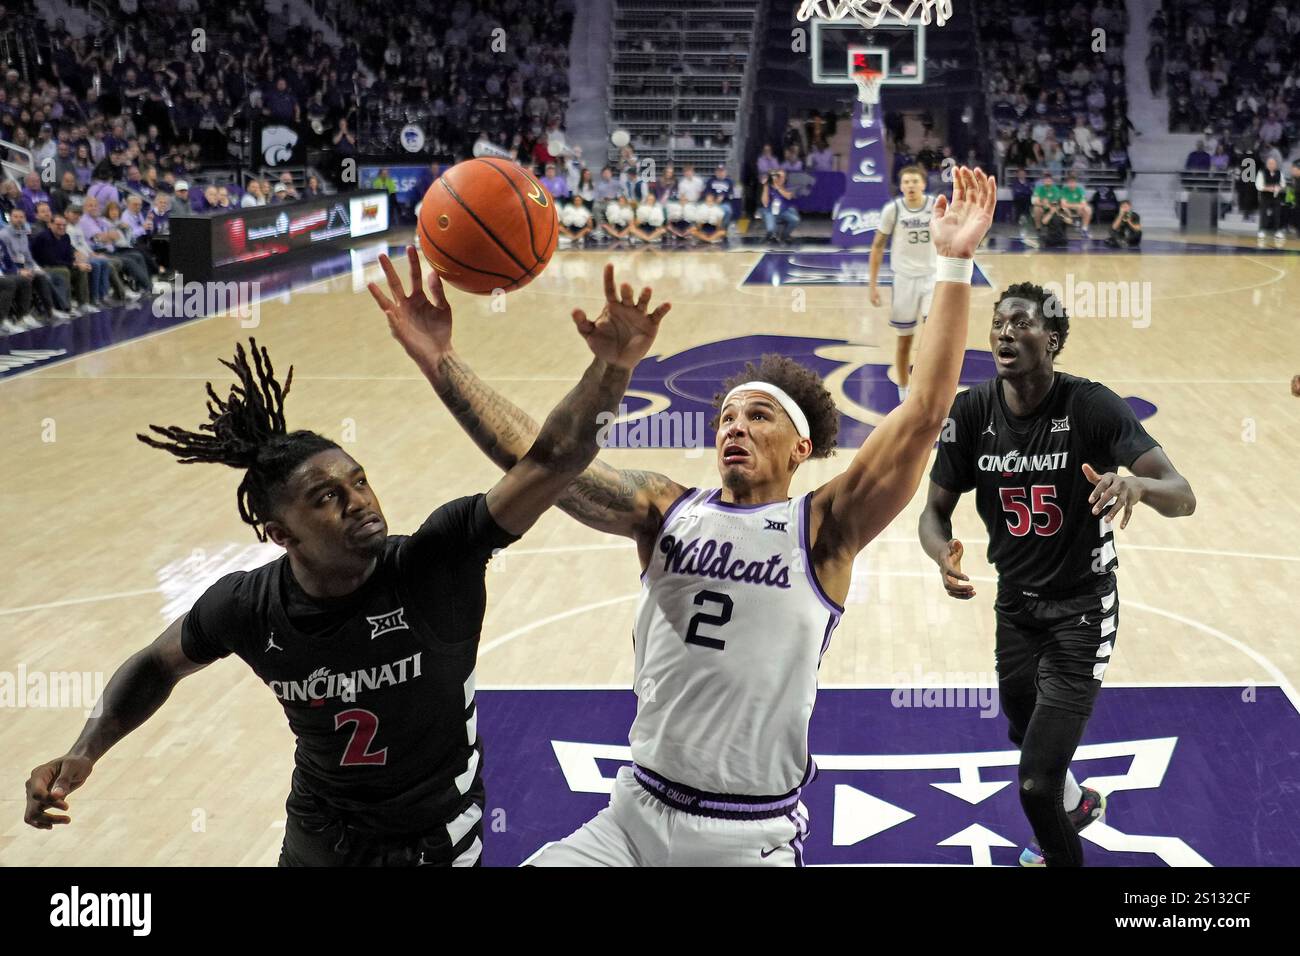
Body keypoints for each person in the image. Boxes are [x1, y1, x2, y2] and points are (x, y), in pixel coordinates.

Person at [418, 167, 997, 867]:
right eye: (727, 417)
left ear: (801, 447)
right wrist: (444, 363)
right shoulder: (664, 510)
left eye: (759, 416)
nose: (736, 427)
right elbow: (545, 465)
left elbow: (925, 411)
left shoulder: (824, 528)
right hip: (630, 821)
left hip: (746, 836)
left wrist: (955, 259)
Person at [23, 253, 672, 868]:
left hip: (437, 837)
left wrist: (611, 369)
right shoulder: (248, 605)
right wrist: (85, 751)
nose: (359, 501)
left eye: (359, 481)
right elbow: (155, 664)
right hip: (322, 836)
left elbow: (553, 462)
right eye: (328, 498)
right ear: (280, 533)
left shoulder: (434, 561)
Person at [918, 282, 1195, 867]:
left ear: (1055, 339)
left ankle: (1057, 845)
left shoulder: (1090, 406)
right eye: (998, 323)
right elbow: (933, 511)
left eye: (1021, 323)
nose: (1004, 333)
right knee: (1022, 728)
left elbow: (1183, 495)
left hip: (1082, 610)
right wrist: (941, 553)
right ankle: (1078, 804)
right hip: (1016, 608)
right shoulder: (972, 411)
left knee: (1034, 784)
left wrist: (1138, 485)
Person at [869, 166, 937, 402]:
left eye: (914, 181)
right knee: (904, 341)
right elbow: (877, 246)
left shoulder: (936, 206)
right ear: (901, 186)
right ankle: (903, 392)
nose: (910, 185)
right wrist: (873, 285)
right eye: (906, 181)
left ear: (923, 184)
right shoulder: (893, 210)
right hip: (904, 280)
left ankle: (926, 386)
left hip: (932, 278)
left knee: (932, 336)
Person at [759, 169, 798, 243]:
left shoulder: (788, 186)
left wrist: (778, 187)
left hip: (783, 211)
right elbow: (765, 203)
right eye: (778, 176)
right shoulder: (769, 187)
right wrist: (765, 186)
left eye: (782, 177)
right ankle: (769, 236)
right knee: (771, 230)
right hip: (770, 212)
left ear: (785, 178)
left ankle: (785, 236)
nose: (780, 179)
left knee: (795, 220)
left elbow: (788, 196)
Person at [1256, 156, 1285, 246]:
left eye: (1273, 164)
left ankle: (1277, 231)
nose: (1272, 165)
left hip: (1276, 196)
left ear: (1276, 165)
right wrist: (1269, 188)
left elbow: (1283, 184)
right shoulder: (1262, 173)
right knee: (1263, 213)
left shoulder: (1279, 173)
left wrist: (1279, 187)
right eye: (1270, 163)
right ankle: (1261, 230)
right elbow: (1259, 186)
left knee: (1277, 213)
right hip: (1265, 196)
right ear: (1267, 164)